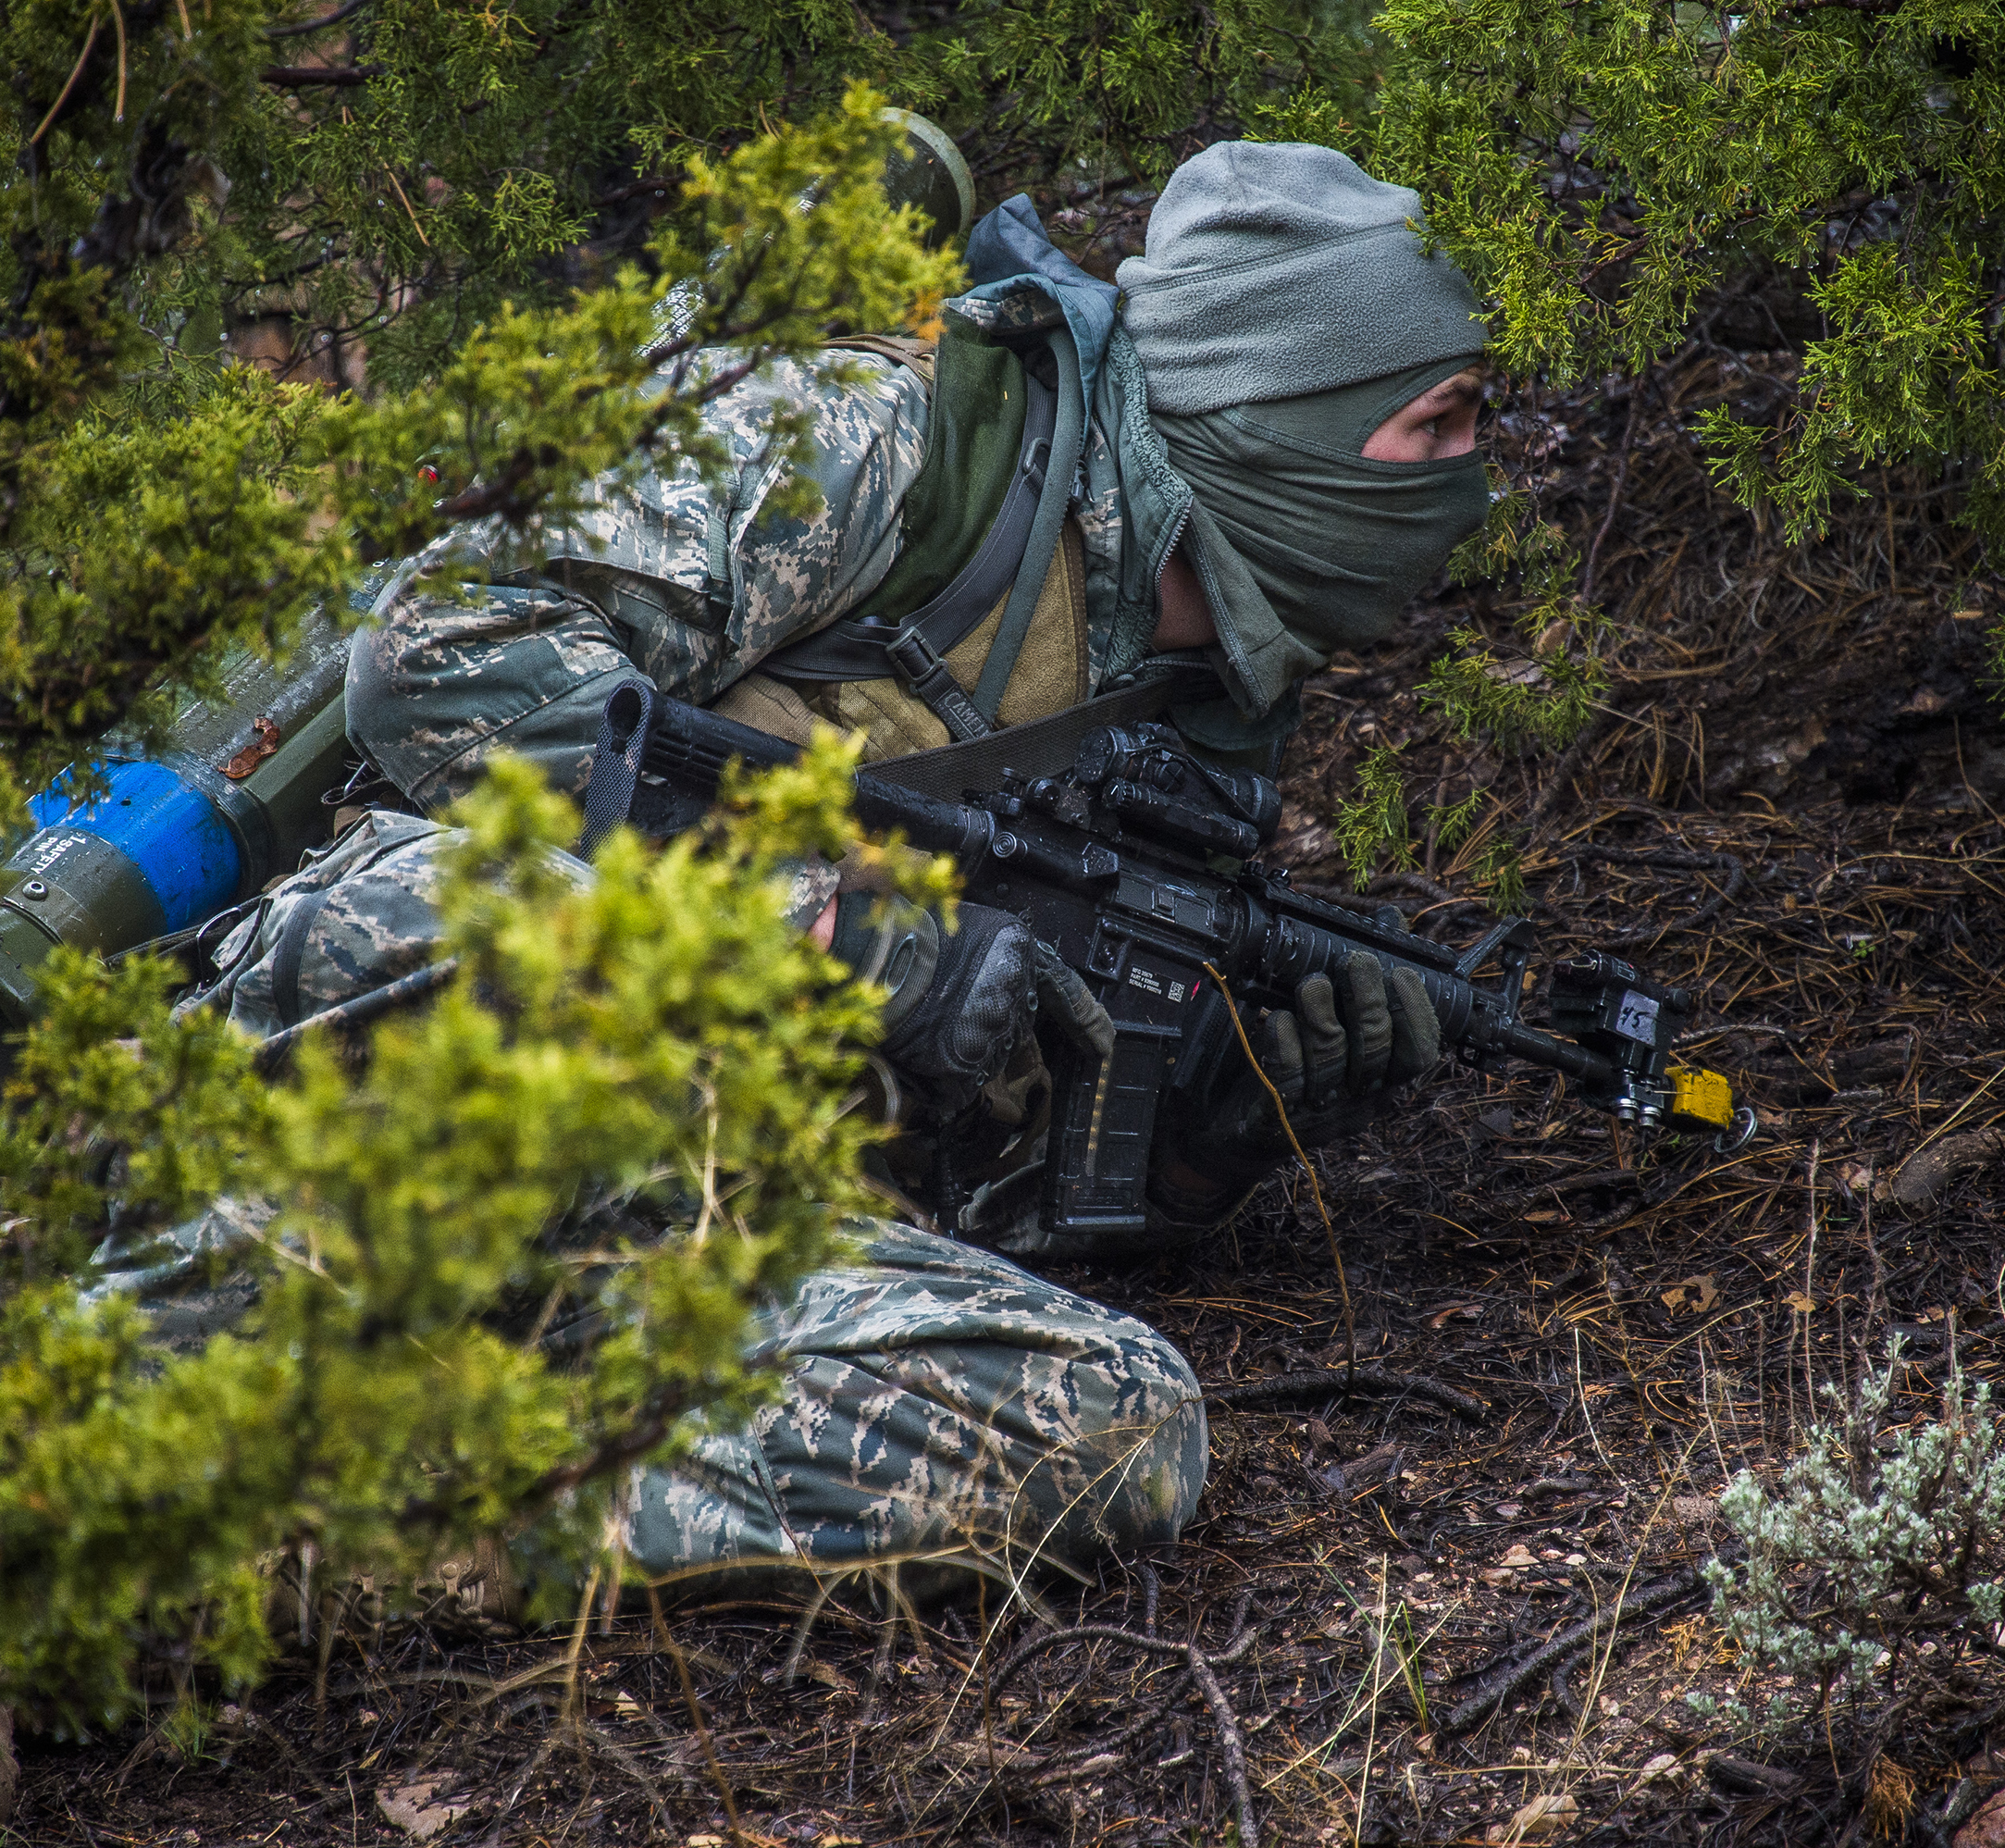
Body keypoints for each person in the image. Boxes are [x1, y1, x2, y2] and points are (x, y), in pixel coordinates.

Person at [155, 140, 1493, 1603]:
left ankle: (351, 1528)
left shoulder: (1211, 734)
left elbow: (953, 1177)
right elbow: (437, 653)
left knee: (1116, 1426)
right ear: (1289, 400)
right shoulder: (903, 442)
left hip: (678, 1196)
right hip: (421, 1030)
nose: (1471, 483)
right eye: (1440, 423)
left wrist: (1194, 1153)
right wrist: (844, 929)